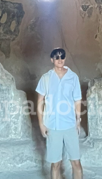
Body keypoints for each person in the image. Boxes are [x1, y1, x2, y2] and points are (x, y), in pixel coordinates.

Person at [36, 48, 83, 179]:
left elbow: (77, 100)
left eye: (62, 57)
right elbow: (40, 101)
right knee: (55, 164)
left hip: (69, 124)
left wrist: (78, 120)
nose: (60, 60)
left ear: (65, 59)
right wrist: (41, 124)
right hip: (53, 125)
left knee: (76, 163)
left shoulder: (73, 77)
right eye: (57, 58)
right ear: (52, 60)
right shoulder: (45, 78)